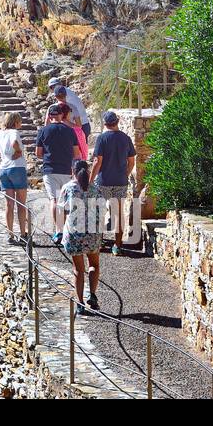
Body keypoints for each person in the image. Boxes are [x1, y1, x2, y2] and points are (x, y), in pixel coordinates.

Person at [59, 159, 104, 314]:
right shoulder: (95, 189)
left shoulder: (68, 188)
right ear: (88, 171)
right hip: (93, 232)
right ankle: (92, 295)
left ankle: (80, 303)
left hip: (74, 234)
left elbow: (64, 211)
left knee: (78, 269)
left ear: (73, 171)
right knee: (94, 265)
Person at [34, 103, 83, 245]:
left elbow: (38, 154)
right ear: (61, 115)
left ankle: (58, 231)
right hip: (66, 170)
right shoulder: (70, 131)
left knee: (54, 200)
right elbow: (76, 153)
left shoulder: (43, 131)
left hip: (50, 169)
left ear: (49, 116)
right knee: (66, 200)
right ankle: (68, 229)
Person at [91, 110, 137, 254]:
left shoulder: (102, 139)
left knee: (100, 212)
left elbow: (98, 162)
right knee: (118, 214)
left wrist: (91, 180)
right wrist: (126, 174)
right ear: (118, 122)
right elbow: (131, 161)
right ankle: (117, 246)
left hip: (103, 181)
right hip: (120, 181)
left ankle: (99, 243)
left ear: (105, 123)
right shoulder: (126, 138)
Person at [0, 112, 29, 241]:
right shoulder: (14, 132)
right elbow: (14, 142)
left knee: (9, 204)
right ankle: (23, 234)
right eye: (20, 121)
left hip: (3, 169)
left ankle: (10, 234)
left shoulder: (0, 133)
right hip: (17, 168)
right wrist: (19, 151)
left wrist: (1, 153)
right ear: (15, 122)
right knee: (21, 204)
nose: (21, 124)